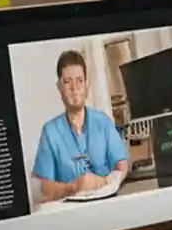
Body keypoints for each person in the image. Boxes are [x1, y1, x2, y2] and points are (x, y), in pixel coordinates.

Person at [31, 50, 129, 202]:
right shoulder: (50, 132)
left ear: (86, 85)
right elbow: (42, 186)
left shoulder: (103, 122)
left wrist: (103, 182)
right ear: (59, 86)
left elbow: (122, 165)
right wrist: (72, 188)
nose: (74, 88)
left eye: (79, 80)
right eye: (67, 82)